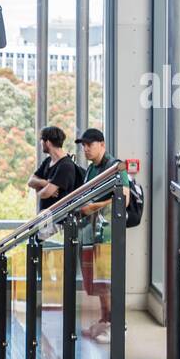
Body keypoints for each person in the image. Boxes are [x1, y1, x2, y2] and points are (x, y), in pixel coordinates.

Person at [75, 128, 117, 344]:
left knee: (108, 281)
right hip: (91, 233)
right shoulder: (91, 170)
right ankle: (104, 320)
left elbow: (123, 199)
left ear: (102, 144)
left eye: (89, 145)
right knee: (99, 283)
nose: (86, 149)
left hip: (107, 234)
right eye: (83, 145)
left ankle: (116, 325)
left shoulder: (115, 168)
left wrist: (92, 207)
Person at [28, 125, 78, 212]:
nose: (40, 143)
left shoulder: (65, 165)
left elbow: (44, 194)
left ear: (47, 142)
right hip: (46, 219)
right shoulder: (48, 161)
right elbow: (30, 182)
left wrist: (37, 188)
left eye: (41, 140)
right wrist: (45, 183)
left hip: (59, 220)